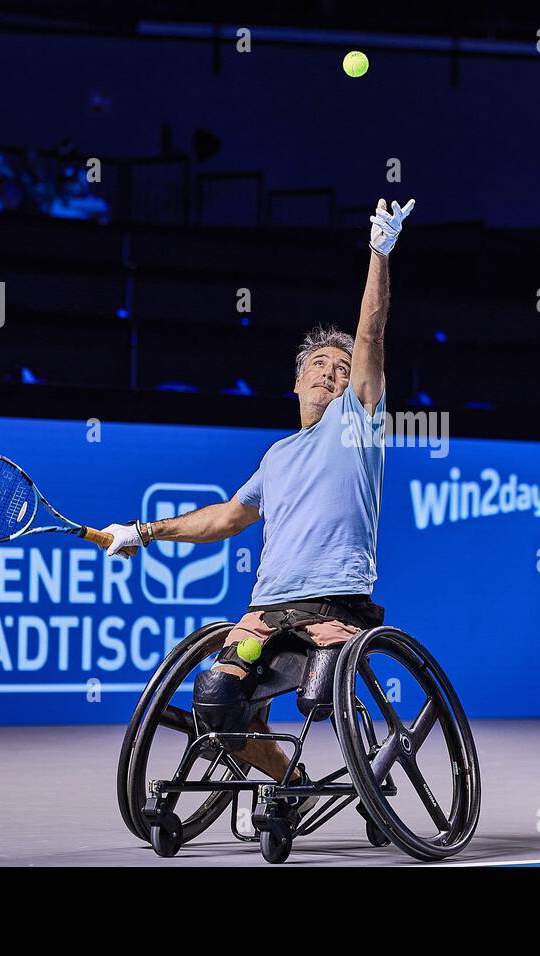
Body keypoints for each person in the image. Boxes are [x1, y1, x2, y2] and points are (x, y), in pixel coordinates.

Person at [100, 197, 416, 820]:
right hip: (266, 616)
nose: (331, 375)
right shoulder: (275, 457)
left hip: (335, 607)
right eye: (319, 367)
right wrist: (143, 530)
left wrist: (379, 253)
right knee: (216, 702)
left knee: (319, 699)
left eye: (341, 369)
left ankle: (353, 780)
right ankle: (291, 780)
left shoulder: (358, 423)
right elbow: (225, 518)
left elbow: (372, 332)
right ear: (296, 382)